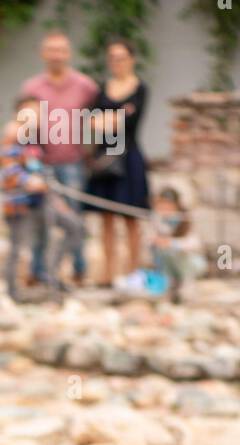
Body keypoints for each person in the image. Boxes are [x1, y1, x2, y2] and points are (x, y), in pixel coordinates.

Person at [20, 31, 98, 285]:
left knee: (74, 218)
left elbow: (101, 115)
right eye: (51, 50)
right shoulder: (32, 87)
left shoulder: (85, 86)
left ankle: (78, 269)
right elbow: (24, 125)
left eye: (61, 50)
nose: (56, 55)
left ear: (69, 53)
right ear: (43, 54)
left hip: (73, 162)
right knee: (40, 220)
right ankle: (38, 271)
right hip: (40, 164)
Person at [2, 97, 84, 301]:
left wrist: (56, 199)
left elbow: (44, 172)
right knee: (18, 247)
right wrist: (27, 180)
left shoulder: (35, 141)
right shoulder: (13, 137)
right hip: (20, 203)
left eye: (37, 113)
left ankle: (51, 278)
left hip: (42, 202)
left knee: (74, 227)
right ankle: (13, 291)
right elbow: (8, 169)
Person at [86, 37, 150, 287]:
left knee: (131, 217)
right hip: (106, 157)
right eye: (112, 57)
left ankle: (133, 271)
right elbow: (92, 121)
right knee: (106, 217)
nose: (116, 62)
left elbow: (125, 123)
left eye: (121, 57)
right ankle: (108, 273)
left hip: (129, 157)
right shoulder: (103, 88)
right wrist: (115, 117)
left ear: (131, 59)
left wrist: (108, 119)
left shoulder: (140, 88)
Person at [150, 187, 205, 302]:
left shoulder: (184, 219)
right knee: (161, 252)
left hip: (190, 263)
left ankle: (186, 287)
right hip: (167, 264)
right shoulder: (158, 220)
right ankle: (168, 285)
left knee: (175, 252)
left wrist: (172, 243)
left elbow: (195, 244)